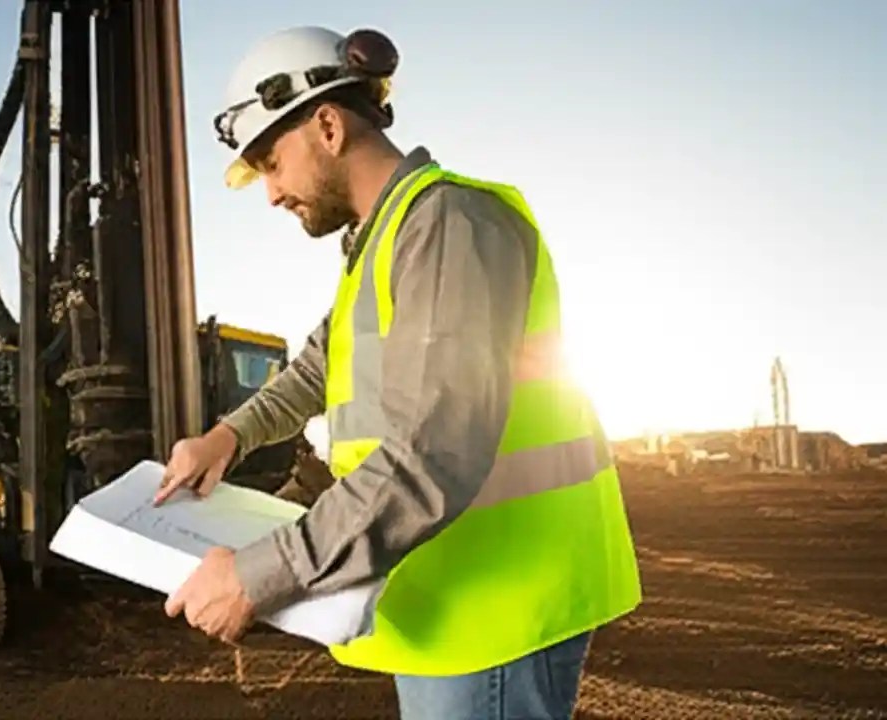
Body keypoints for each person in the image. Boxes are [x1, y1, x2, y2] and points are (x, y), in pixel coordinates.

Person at [156, 25, 643, 720]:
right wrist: (227, 437)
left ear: (328, 126)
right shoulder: (384, 241)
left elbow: (432, 453)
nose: (271, 194)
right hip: (447, 597)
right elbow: (318, 367)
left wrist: (259, 575)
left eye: (271, 163)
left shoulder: (447, 225)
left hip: (498, 608)